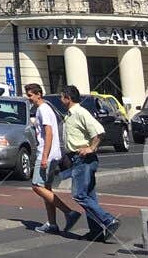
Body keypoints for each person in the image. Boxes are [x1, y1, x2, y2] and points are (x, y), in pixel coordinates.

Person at [60, 85, 121, 243]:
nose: (60, 100)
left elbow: (99, 131)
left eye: (62, 97)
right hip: (78, 159)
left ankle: (108, 220)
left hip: (83, 159)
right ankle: (95, 232)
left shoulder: (80, 113)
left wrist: (91, 148)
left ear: (68, 98)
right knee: (89, 197)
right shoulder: (70, 114)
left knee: (79, 195)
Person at [25, 82, 82, 235]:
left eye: (30, 95)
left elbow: (48, 133)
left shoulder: (43, 109)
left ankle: (69, 212)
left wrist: (44, 156)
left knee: (37, 186)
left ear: (38, 94)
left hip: (47, 154)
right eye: (28, 95)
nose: (29, 98)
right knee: (46, 188)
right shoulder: (45, 109)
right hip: (53, 153)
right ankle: (52, 223)